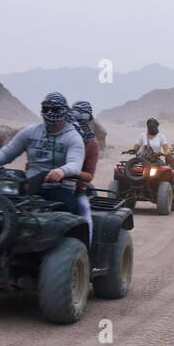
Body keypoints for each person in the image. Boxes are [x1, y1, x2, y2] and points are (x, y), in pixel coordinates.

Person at [0, 92, 84, 215]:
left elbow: (75, 163)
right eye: (46, 109)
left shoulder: (73, 137)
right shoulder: (31, 131)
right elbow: (8, 151)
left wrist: (62, 171)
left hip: (59, 187)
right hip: (29, 185)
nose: (50, 113)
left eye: (55, 109)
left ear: (64, 111)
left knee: (67, 215)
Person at [69, 100, 99, 244]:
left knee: (84, 209)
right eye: (75, 113)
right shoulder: (61, 134)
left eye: (84, 115)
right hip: (48, 183)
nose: (79, 118)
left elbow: (89, 175)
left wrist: (71, 172)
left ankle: (87, 249)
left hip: (76, 187)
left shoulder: (91, 143)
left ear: (89, 118)